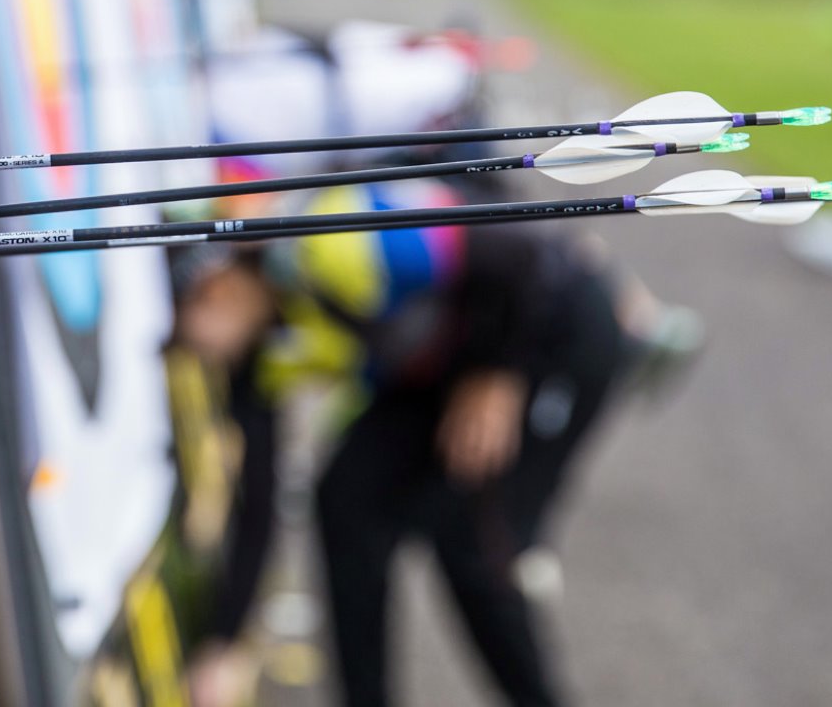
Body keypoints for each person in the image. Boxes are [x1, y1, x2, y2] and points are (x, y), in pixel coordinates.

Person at [178, 178, 638, 707]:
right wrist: (224, 642)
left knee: (469, 538)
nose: (196, 355)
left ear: (215, 288)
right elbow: (259, 502)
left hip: (549, 332)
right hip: (448, 369)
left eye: (186, 334)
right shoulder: (257, 357)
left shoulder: (333, 241)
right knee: (346, 499)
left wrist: (496, 371)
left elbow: (520, 255)